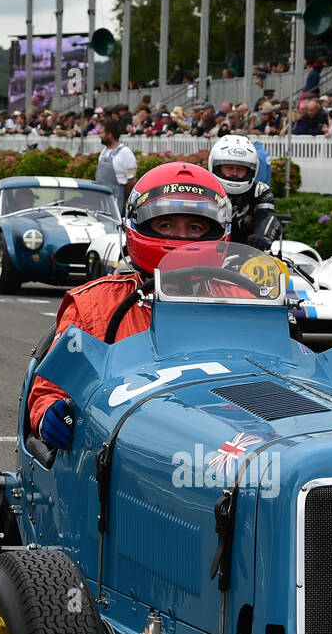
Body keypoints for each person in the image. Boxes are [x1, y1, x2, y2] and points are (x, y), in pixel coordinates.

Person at [25, 164, 237, 449]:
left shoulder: (239, 303)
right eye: (166, 225)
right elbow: (47, 391)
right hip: (121, 448)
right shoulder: (93, 305)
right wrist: (50, 414)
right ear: (138, 227)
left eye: (195, 227)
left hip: (218, 445)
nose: (181, 237)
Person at [209, 134, 281, 251]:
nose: (234, 173)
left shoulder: (260, 191)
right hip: (209, 253)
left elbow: (267, 217)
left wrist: (262, 237)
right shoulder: (205, 187)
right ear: (216, 166)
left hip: (248, 256)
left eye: (240, 169)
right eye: (229, 168)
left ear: (251, 170)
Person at [95, 119, 138, 210]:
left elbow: (132, 180)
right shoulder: (104, 152)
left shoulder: (126, 153)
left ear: (110, 134)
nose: (100, 135)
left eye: (102, 133)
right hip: (100, 198)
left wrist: (127, 200)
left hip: (116, 200)